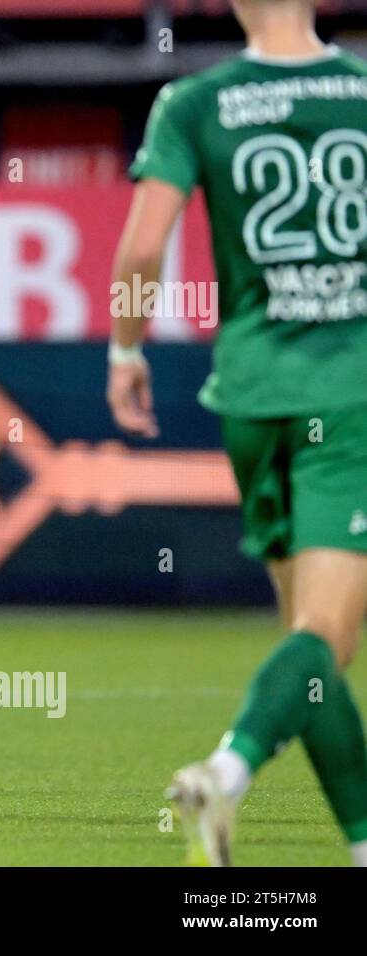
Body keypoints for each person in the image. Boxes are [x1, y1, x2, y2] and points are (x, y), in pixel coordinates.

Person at [108, 0, 367, 865]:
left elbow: (143, 251)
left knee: (313, 651)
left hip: (253, 396)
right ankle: (227, 769)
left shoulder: (194, 102)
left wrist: (126, 349)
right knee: (325, 640)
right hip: (348, 392)